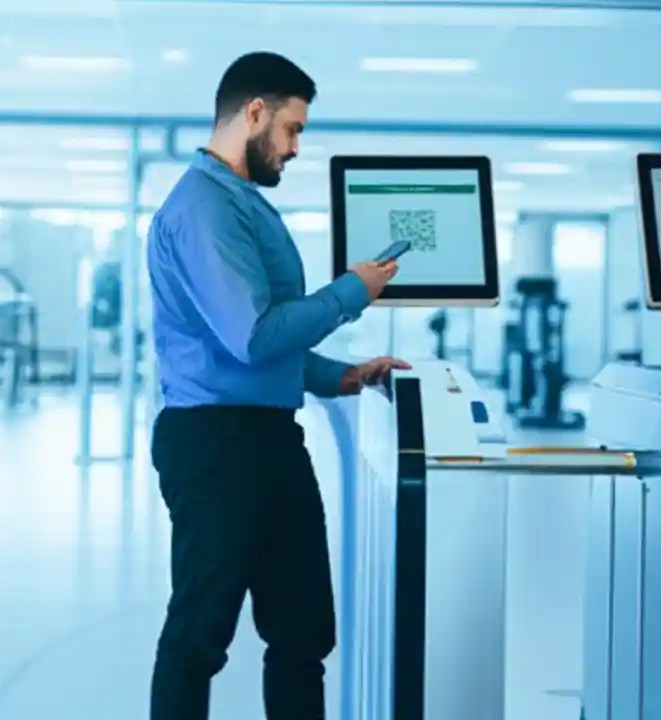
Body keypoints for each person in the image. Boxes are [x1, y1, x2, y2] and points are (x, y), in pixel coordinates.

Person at [145, 51, 410, 720]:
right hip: (215, 444)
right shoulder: (205, 208)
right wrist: (352, 291)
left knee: (302, 629)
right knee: (200, 635)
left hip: (267, 437)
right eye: (292, 129)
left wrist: (340, 376)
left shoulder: (241, 205)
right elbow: (253, 336)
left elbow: (265, 349)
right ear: (254, 113)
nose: (294, 148)